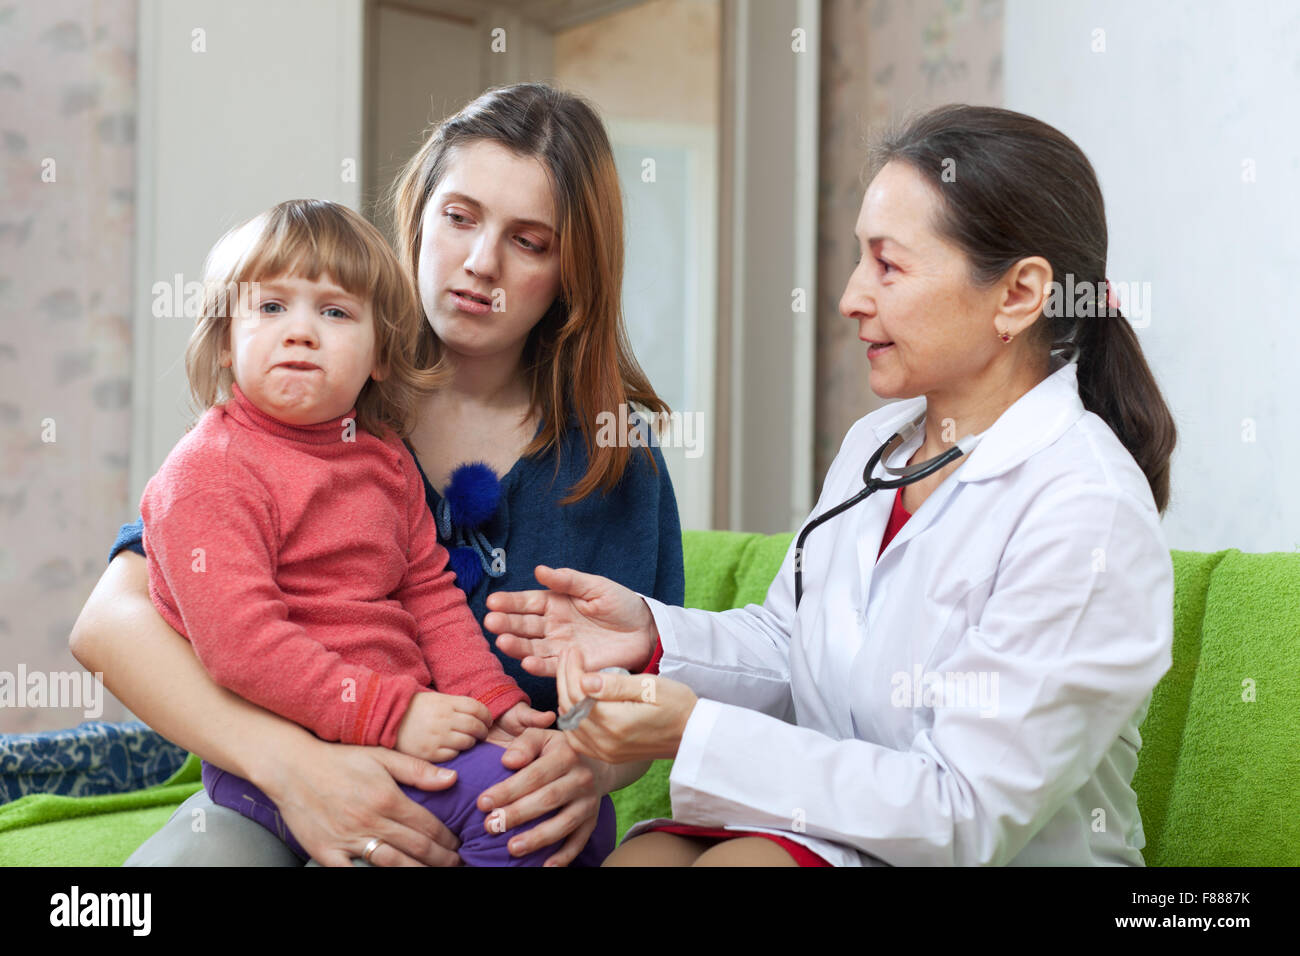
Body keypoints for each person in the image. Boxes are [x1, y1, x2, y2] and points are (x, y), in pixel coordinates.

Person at [485, 104, 1178, 867]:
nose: (851, 297)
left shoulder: (1087, 510)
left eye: (888, 265)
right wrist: (654, 635)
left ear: (1017, 295)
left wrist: (694, 731)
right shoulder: (876, 447)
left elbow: (965, 814)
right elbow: (794, 645)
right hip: (839, 822)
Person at [69, 83, 683, 867]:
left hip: (485, 795)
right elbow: (108, 625)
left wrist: (590, 769)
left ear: (574, 269)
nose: (479, 262)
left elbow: (655, 683)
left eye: (530, 241)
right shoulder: (315, 400)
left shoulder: (609, 455)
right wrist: (299, 773)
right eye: (459, 217)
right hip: (282, 774)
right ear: (420, 213)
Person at [137, 197, 613, 867]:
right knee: (513, 814)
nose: (300, 332)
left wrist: (494, 702)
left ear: (380, 356)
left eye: (334, 312)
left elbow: (432, 599)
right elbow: (242, 648)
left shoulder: (382, 459)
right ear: (223, 341)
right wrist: (394, 715)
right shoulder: (208, 471)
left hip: (390, 734)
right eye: (270, 308)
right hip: (282, 759)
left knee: (580, 822)